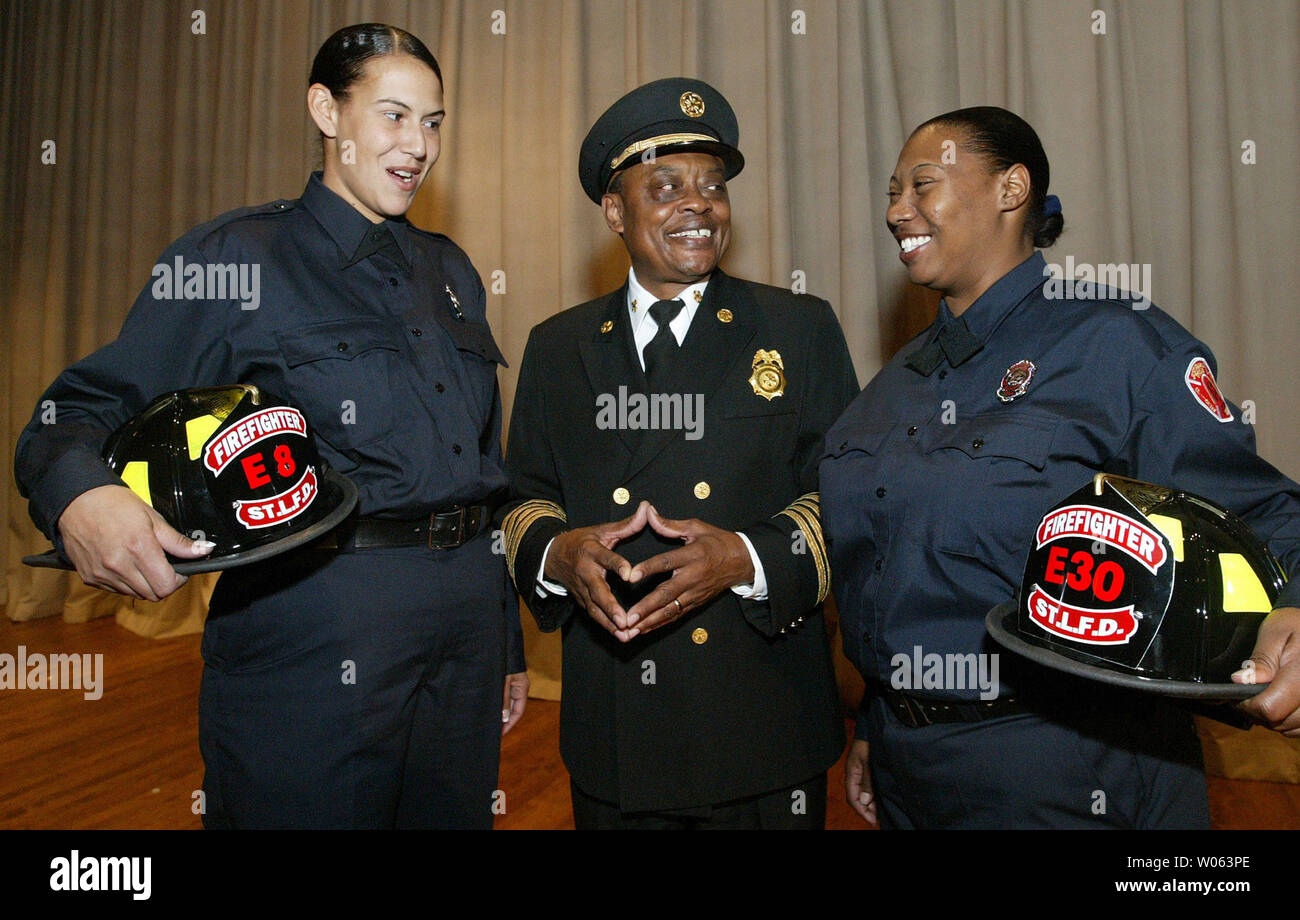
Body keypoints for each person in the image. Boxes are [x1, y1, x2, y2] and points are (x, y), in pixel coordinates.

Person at [13, 23, 526, 829]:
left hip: (462, 630)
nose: (418, 145)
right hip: (316, 626)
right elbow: (71, 414)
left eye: (432, 123)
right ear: (326, 109)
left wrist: (505, 645)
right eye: (394, 116)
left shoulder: (450, 270)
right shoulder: (238, 258)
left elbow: (481, 467)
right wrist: (83, 499)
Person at [820, 105, 1300, 829]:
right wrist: (887, 723)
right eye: (892, 191)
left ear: (1011, 190)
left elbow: (1261, 513)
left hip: (1065, 761)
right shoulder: (894, 385)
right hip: (905, 764)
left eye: (922, 185)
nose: (897, 210)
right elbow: (891, 577)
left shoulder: (1116, 341)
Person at [498, 78, 859, 829]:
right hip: (617, 729)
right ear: (615, 210)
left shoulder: (797, 329)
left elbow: (847, 498)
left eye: (714, 187)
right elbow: (521, 498)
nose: (700, 204)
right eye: (666, 186)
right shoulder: (558, 346)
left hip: (758, 723)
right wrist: (556, 554)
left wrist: (746, 559)